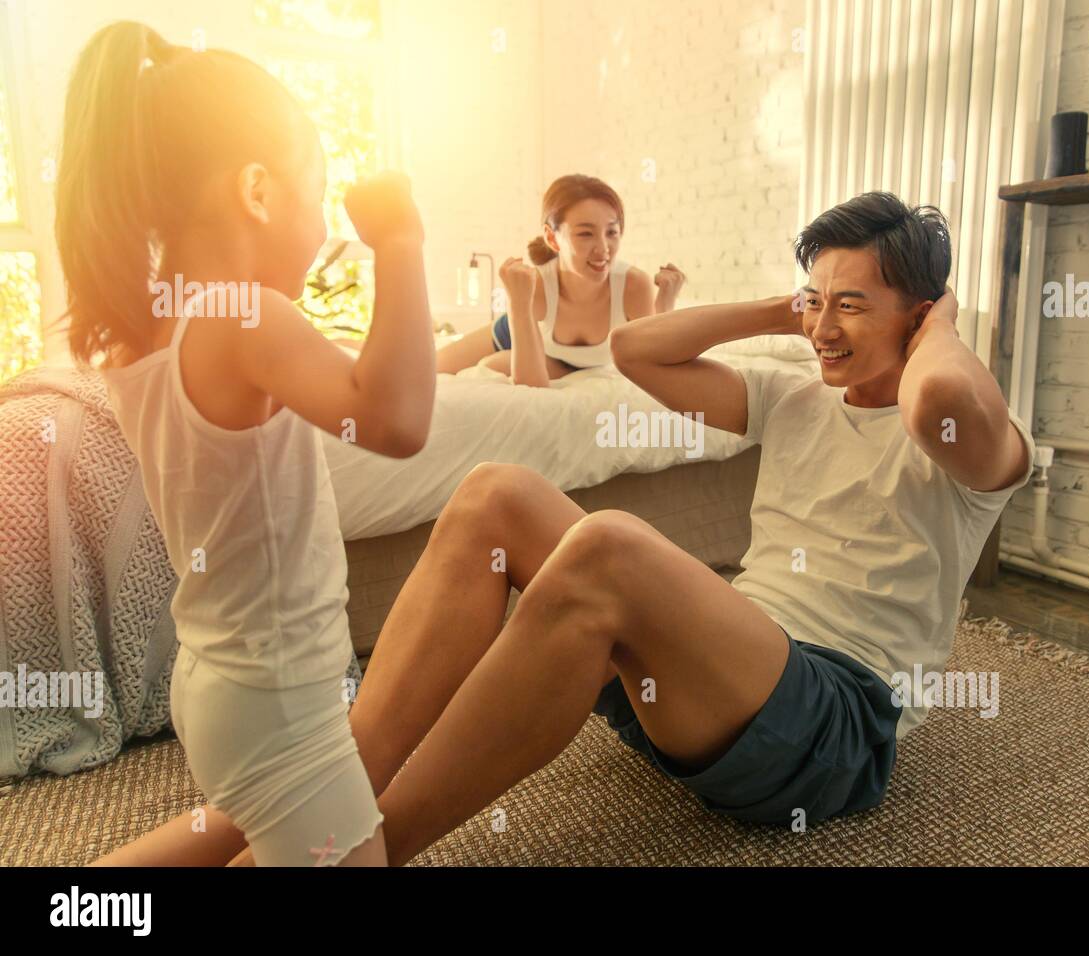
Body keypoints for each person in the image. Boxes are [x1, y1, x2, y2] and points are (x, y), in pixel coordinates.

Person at [97, 191, 1031, 867]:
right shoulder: (788, 394)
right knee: (496, 492)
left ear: (919, 316)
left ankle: (376, 851)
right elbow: (636, 349)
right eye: (813, 300)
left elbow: (937, 395)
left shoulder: (967, 442)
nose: (822, 327)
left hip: (832, 729)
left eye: (852, 306)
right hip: (709, 687)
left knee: (608, 546)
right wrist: (794, 311)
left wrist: (938, 323)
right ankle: (344, 788)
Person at [65, 22, 433, 866]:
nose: (320, 221)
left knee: (240, 830)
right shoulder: (243, 316)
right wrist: (401, 241)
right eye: (316, 191)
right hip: (276, 697)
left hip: (221, 679)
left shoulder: (143, 332)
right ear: (259, 191)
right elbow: (398, 418)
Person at [435, 174, 686, 385]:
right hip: (519, 328)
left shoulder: (633, 285)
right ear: (552, 238)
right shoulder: (538, 286)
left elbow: (656, 363)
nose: (603, 248)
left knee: (495, 365)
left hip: (553, 359)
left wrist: (666, 303)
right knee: (434, 366)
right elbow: (532, 389)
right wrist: (518, 306)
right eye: (586, 234)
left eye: (612, 232)